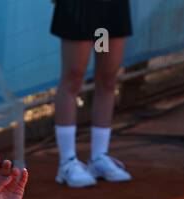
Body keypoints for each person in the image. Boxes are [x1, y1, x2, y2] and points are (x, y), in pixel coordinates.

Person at [51, 0, 135, 188]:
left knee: (107, 78)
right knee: (73, 78)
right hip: (80, 8)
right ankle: (67, 163)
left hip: (108, 14)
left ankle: (98, 157)